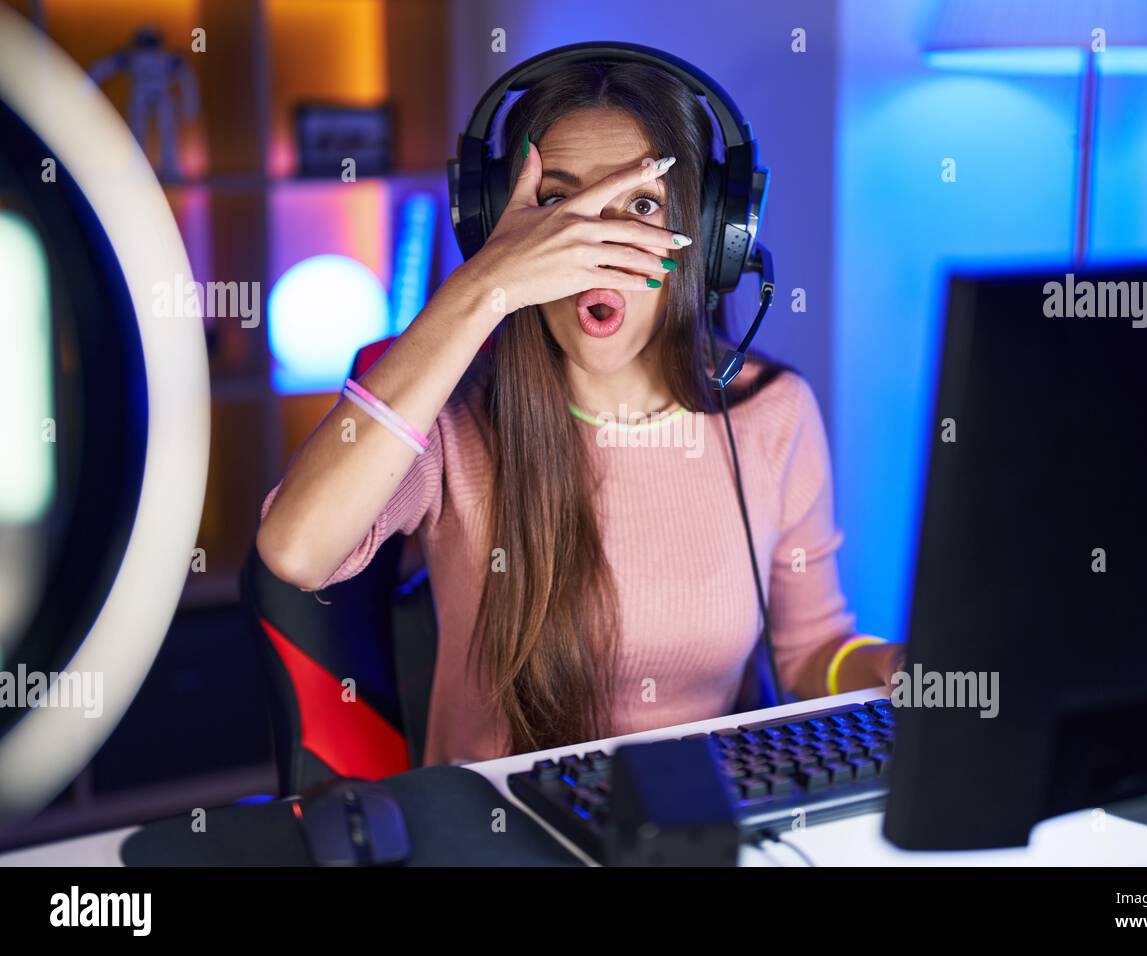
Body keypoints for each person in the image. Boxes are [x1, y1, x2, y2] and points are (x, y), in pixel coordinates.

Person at [256, 58, 902, 765]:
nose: (593, 250)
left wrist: (890, 669)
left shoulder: (774, 411)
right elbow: (296, 550)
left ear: (714, 235)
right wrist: (483, 290)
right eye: (558, 209)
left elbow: (813, 652)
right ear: (502, 229)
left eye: (642, 207)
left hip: (699, 828)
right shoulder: (455, 410)